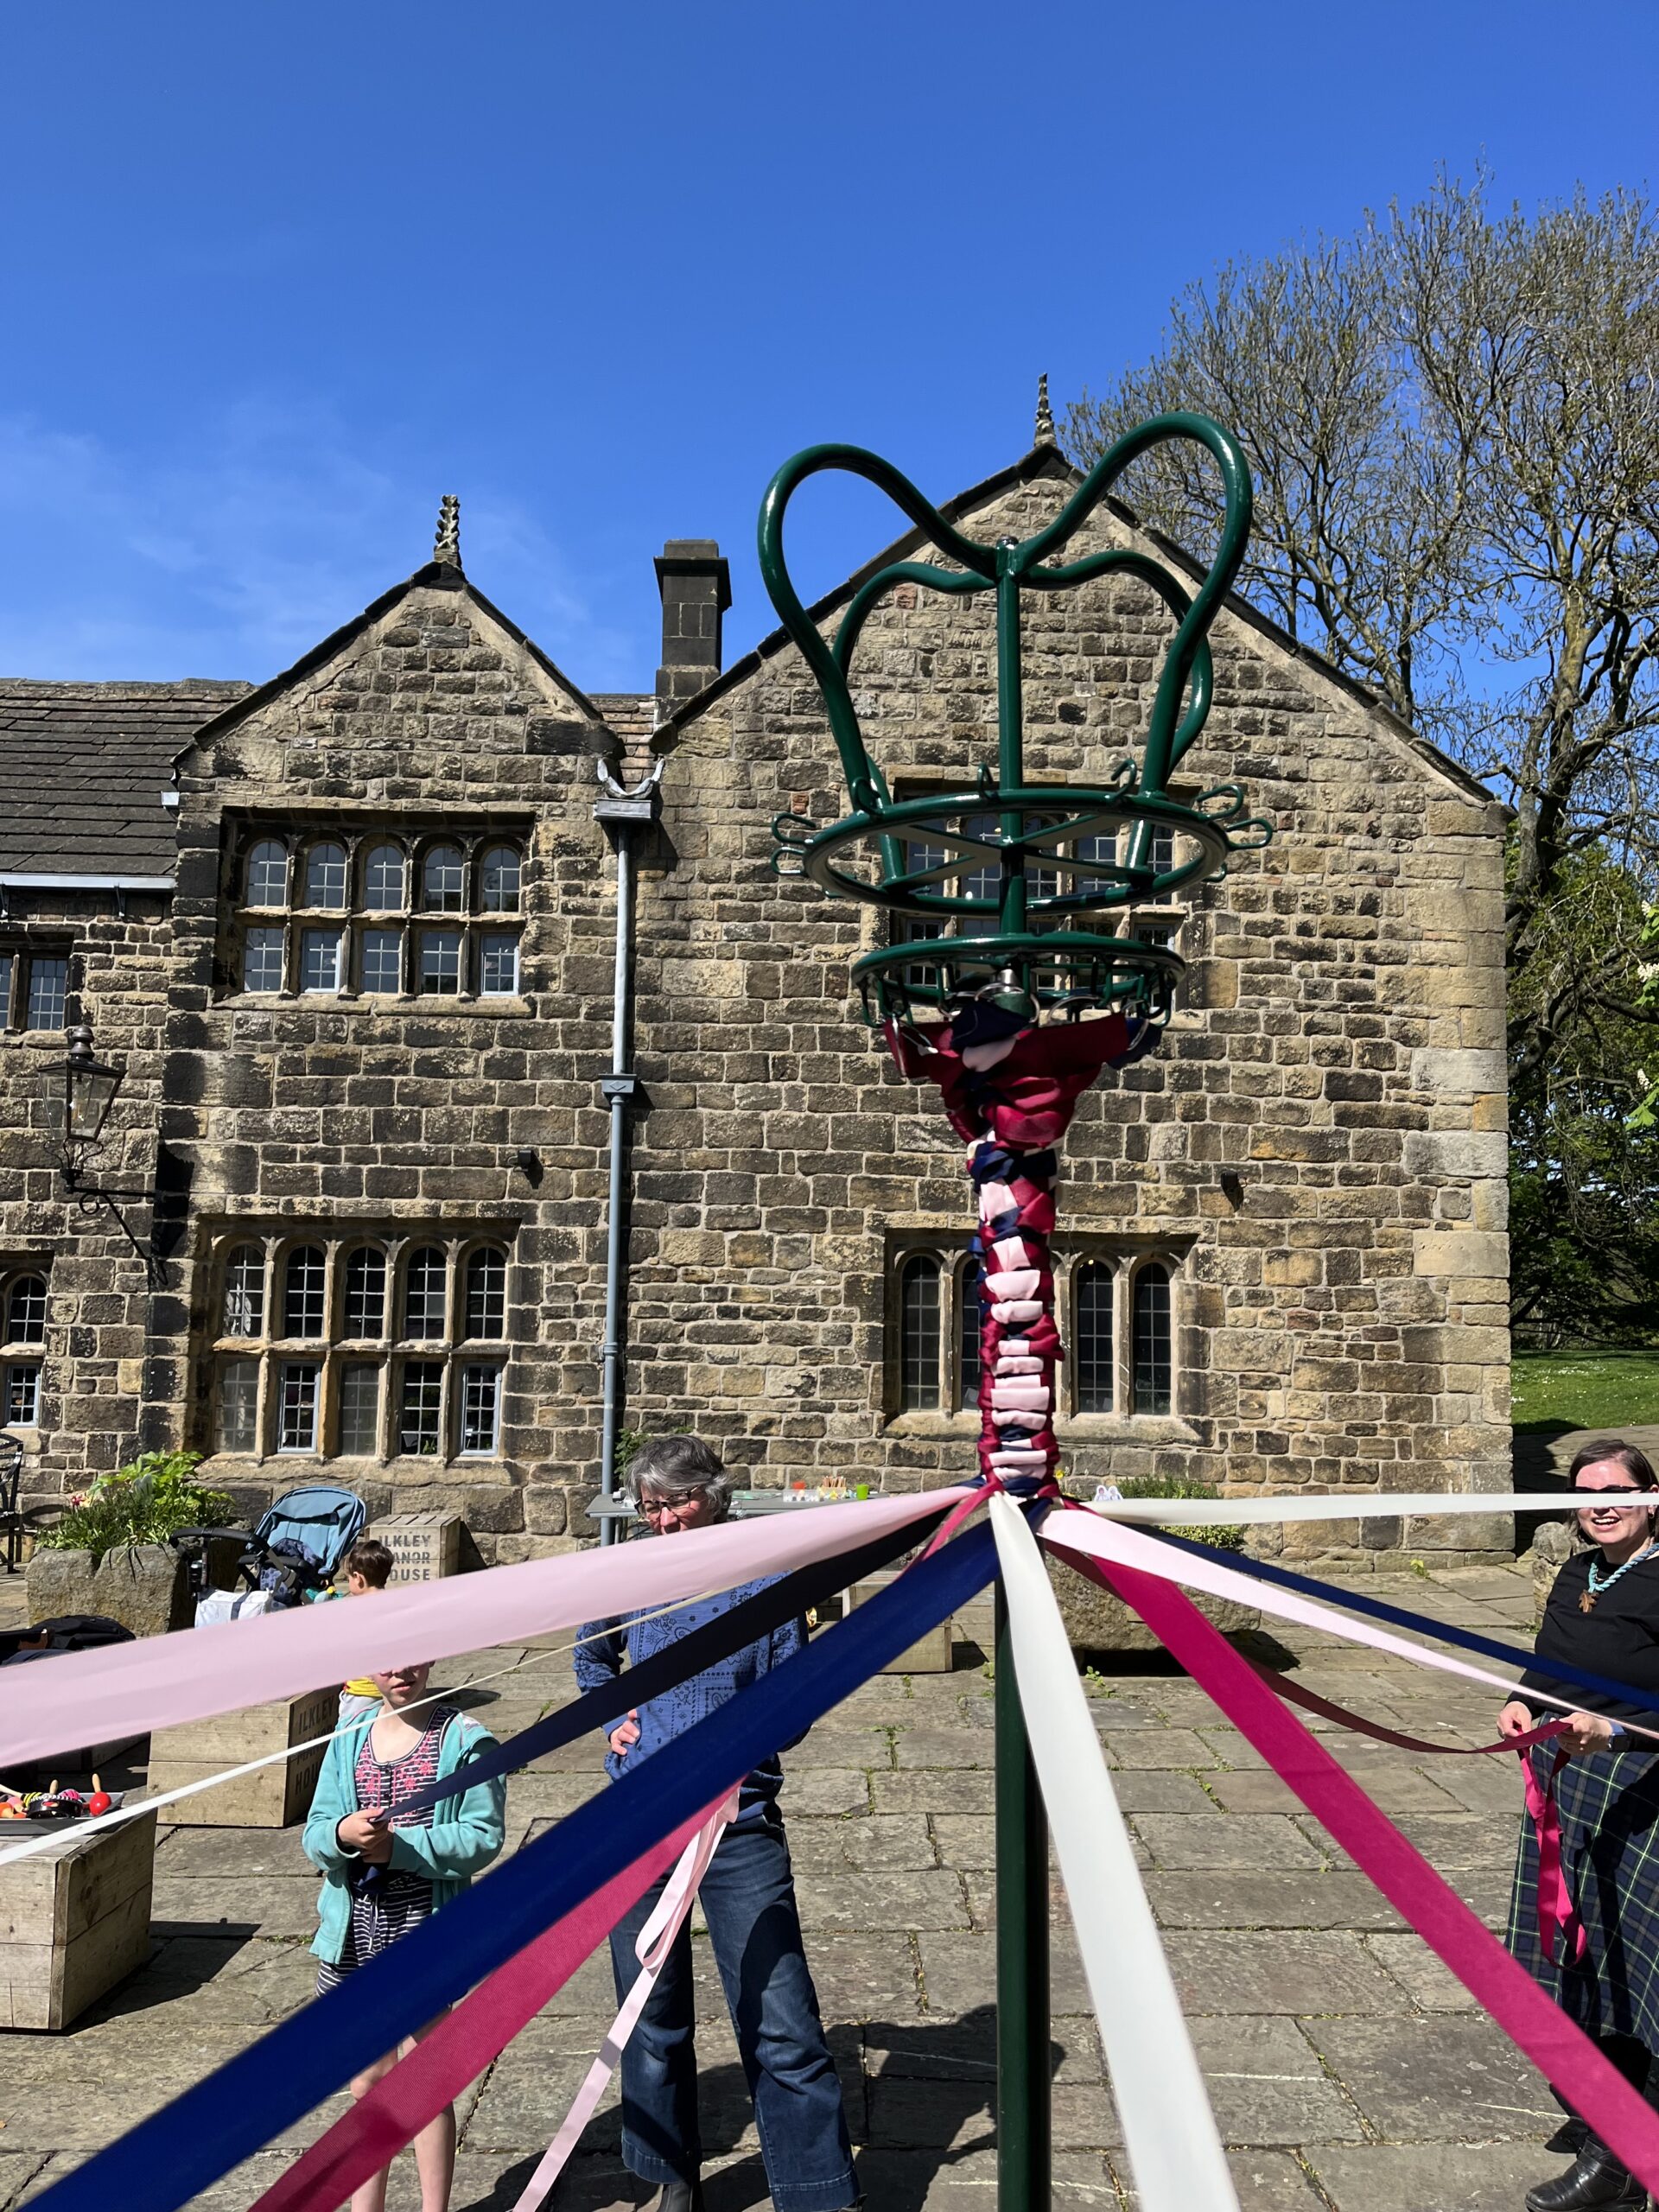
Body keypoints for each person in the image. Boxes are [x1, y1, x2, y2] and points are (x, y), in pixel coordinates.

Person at [575, 1435, 859, 2212]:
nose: (664, 1520)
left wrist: (742, 1743)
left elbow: (792, 1708)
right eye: (651, 1506)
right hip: (639, 1819)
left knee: (782, 2017)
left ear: (715, 1493)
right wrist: (615, 1722)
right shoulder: (627, 1570)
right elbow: (591, 1662)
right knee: (649, 2011)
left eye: (678, 1501)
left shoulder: (763, 1579)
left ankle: (817, 2192)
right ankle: (671, 2178)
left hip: (740, 1821)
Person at [1502, 1439, 1659, 2212]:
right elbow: (1550, 1664)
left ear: (1652, 1497)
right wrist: (1524, 1702)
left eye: (1618, 1490)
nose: (1601, 1503)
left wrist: (1619, 1737)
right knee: (1582, 1960)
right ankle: (1604, 2107)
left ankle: (1623, 2163)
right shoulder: (1577, 1571)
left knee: (1639, 1977)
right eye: (1586, 1491)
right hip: (1571, 1789)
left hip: (1646, 1797)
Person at [303, 1658, 505, 2212]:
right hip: (352, 1943)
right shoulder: (348, 1739)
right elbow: (315, 1831)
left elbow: (483, 1837)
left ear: (434, 1658)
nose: (401, 1670)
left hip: (424, 1943)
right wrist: (342, 1833)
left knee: (424, 2084)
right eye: (387, 1657)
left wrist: (403, 1848)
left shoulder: (465, 1741)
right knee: (368, 2083)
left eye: (415, 1655)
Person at [339, 1538, 396, 1725]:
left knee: (348, 1738)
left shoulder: (354, 1612)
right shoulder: (393, 1606)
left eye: (348, 1578)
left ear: (358, 1578)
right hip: (390, 1690)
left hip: (360, 1692)